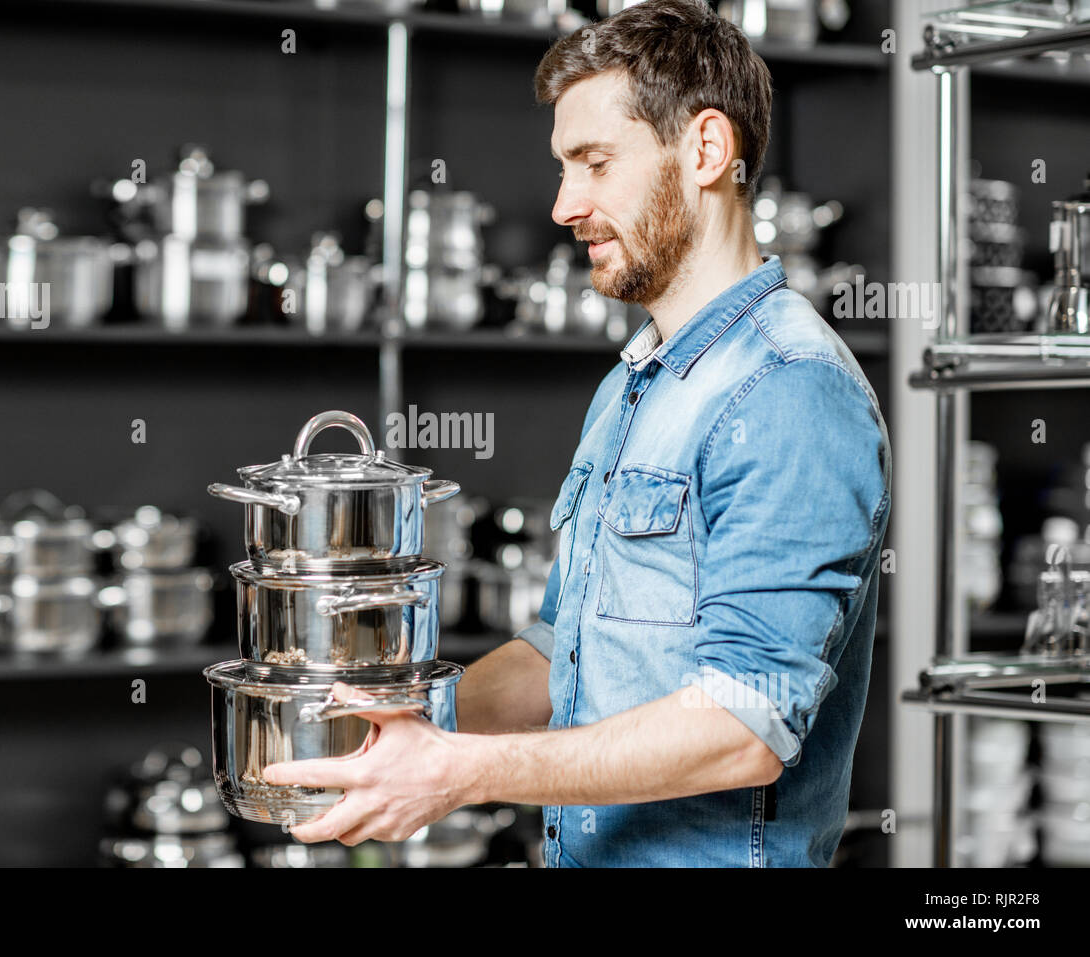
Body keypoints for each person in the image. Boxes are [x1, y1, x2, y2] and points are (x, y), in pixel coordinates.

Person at [263, 0, 891, 867]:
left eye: (595, 163)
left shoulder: (790, 392)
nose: (565, 205)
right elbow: (563, 652)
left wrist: (459, 773)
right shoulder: (637, 381)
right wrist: (399, 727)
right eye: (564, 167)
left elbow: (746, 724)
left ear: (706, 151)